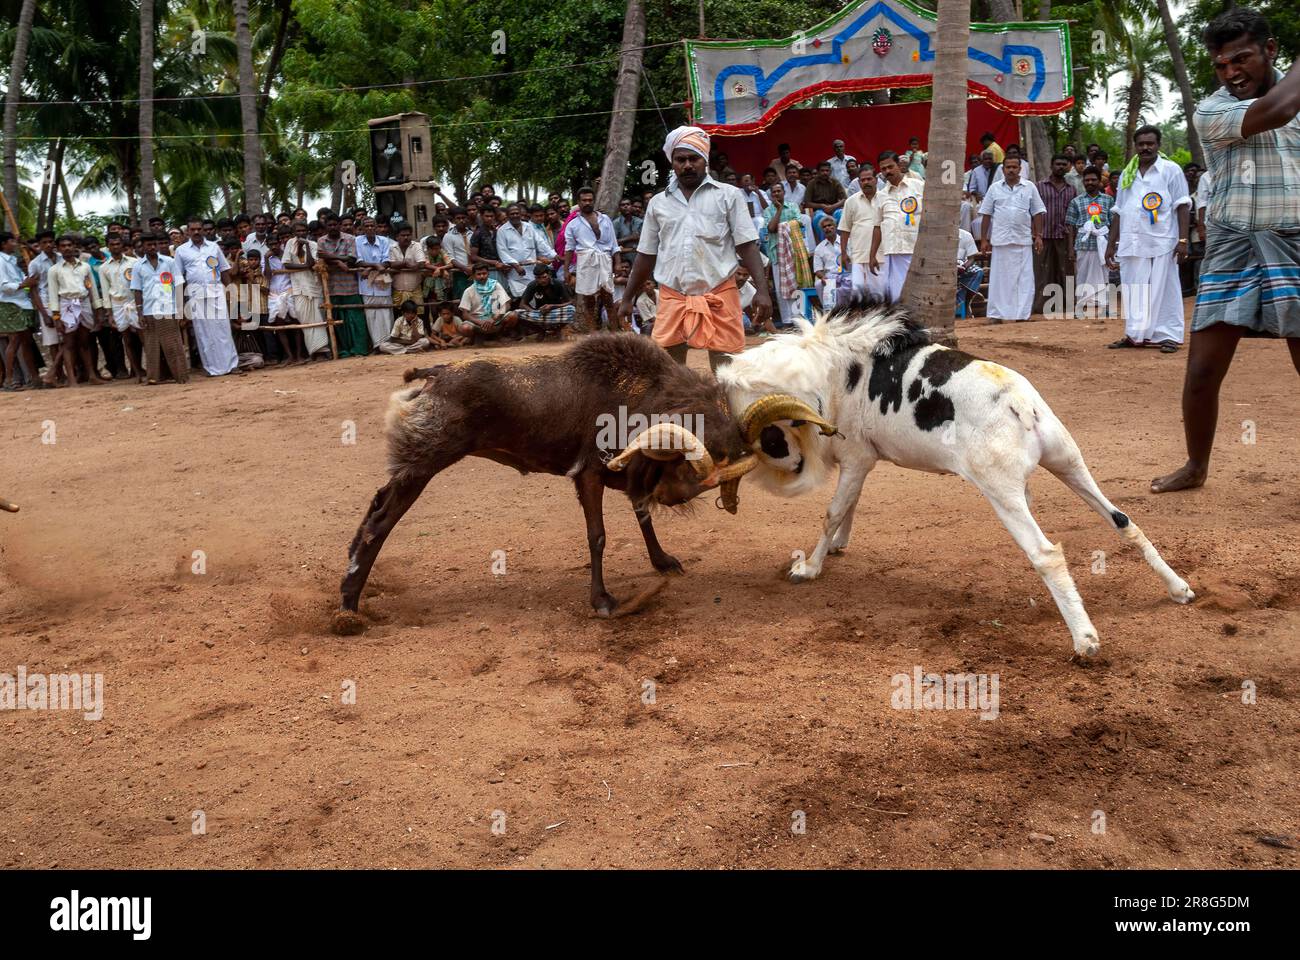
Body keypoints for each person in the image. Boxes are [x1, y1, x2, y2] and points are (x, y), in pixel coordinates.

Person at [1152, 7, 1300, 493]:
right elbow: (1276, 110)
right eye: (1222, 65)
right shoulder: (1212, 110)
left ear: (1270, 50)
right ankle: (1196, 467)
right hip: (1232, 247)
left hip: (1294, 244)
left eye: (1243, 59)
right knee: (1201, 374)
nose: (1232, 72)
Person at [619, 125, 771, 370]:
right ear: (673, 163)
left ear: (705, 160)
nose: (687, 165)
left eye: (694, 158)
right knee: (670, 376)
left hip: (719, 296)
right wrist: (627, 298)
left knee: (727, 375)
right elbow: (646, 255)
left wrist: (762, 291)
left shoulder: (729, 196)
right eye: (680, 159)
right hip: (673, 298)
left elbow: (748, 247)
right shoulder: (658, 204)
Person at [1104, 125, 1191, 352]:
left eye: (1150, 143)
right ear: (1135, 146)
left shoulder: (1170, 170)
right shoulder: (1127, 174)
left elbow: (1182, 205)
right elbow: (1119, 210)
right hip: (1132, 241)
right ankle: (1136, 334)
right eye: (1141, 144)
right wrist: (1111, 243)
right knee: (1134, 289)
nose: (1145, 148)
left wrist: (1183, 241)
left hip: (1162, 240)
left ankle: (1168, 336)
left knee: (1166, 288)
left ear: (1158, 145)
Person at [978, 156, 1045, 323]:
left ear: (1020, 169)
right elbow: (986, 214)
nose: (1011, 170)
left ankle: (1022, 315)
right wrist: (984, 240)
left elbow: (1037, 212)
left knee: (1024, 280)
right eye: (1008, 167)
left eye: (1014, 167)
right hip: (1000, 241)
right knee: (999, 280)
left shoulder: (1029, 187)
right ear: (1003, 169)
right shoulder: (994, 188)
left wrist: (1039, 236)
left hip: (1023, 240)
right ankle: (996, 315)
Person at [173, 217, 238, 376]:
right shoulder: (181, 251)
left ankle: (232, 365)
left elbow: (223, 271)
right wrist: (181, 306)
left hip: (216, 291)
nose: (196, 232)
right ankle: (211, 368)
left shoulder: (214, 247)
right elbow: (179, 278)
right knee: (203, 332)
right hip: (195, 294)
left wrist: (230, 293)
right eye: (192, 229)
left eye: (199, 229)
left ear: (203, 230)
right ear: (187, 232)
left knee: (223, 328)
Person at [46, 234, 106, 385]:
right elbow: (53, 295)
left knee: (85, 341)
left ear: (74, 247)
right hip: (67, 304)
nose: (67, 248)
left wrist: (98, 310)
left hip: (84, 303)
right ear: (58, 249)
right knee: (69, 343)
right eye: (63, 246)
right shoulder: (54, 270)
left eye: (69, 245)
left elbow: (92, 289)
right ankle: (72, 378)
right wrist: (56, 317)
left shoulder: (85, 267)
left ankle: (92, 375)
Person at [130, 233, 187, 384]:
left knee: (173, 344)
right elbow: (137, 290)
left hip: (169, 308)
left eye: (155, 244)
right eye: (149, 245)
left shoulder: (169, 262)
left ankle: (180, 376)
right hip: (149, 310)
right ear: (143, 247)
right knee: (151, 346)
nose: (152, 247)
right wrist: (140, 312)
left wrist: (181, 308)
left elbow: (179, 284)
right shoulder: (137, 266)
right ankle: (154, 377)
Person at [869, 152, 925, 303]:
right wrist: (872, 254)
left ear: (899, 165)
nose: (887, 171)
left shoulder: (918, 186)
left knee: (919, 291)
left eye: (890, 167)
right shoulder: (880, 196)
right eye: (883, 169)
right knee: (896, 293)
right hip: (893, 251)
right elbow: (877, 226)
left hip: (916, 248)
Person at [563, 186, 619, 332]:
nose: (587, 203)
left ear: (593, 201)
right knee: (588, 300)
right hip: (586, 261)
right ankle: (593, 334)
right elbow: (569, 249)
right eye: (584, 200)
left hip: (605, 260)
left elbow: (614, 244)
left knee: (608, 299)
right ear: (578, 202)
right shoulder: (573, 224)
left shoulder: (605, 219)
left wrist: (617, 262)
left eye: (590, 200)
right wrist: (566, 270)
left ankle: (614, 333)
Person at [316, 213, 369, 357]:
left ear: (339, 225)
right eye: (330, 225)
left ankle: (359, 349)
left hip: (351, 286)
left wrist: (330, 257)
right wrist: (339, 262)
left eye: (335, 224)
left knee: (356, 321)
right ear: (326, 227)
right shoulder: (321, 241)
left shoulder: (350, 239)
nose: (333, 227)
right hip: (332, 288)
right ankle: (343, 351)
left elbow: (351, 258)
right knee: (339, 323)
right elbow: (321, 258)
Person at [1065, 166, 1116, 318]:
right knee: (1082, 275)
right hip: (1083, 244)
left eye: (1093, 179)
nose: (1090, 182)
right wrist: (1070, 248)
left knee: (1104, 275)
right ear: (1083, 182)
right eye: (1087, 180)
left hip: (1103, 244)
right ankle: (1080, 307)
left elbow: (1114, 224)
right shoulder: (1076, 201)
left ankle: (1104, 306)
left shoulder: (1108, 200)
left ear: (1100, 181)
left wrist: (1113, 245)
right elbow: (1071, 226)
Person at [1034, 153, 1078, 315]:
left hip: (1063, 236)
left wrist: (1072, 242)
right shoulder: (1039, 186)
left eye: (1063, 164)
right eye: (1057, 164)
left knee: (1065, 271)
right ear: (1051, 166)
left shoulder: (1071, 190)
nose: (1060, 167)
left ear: (1067, 167)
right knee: (1042, 272)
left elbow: (1073, 217)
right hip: (1043, 235)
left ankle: (1068, 306)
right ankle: (1040, 307)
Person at [763, 181, 811, 327]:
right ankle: (787, 321)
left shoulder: (793, 206)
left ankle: (800, 319)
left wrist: (781, 226)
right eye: (774, 192)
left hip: (794, 249)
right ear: (771, 195)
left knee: (797, 284)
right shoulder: (768, 211)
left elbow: (798, 223)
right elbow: (771, 228)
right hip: (777, 252)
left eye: (779, 191)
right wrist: (778, 211)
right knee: (781, 288)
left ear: (784, 192)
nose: (777, 194)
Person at [98, 234, 144, 381]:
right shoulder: (104, 267)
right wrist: (109, 313)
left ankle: (152, 369)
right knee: (127, 340)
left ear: (122, 245)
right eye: (112, 244)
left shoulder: (134, 262)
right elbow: (105, 292)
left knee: (144, 336)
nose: (115, 247)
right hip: (117, 304)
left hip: (133, 301)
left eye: (118, 244)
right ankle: (136, 372)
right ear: (107, 247)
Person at [839, 166, 886, 301]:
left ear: (876, 180)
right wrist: (843, 252)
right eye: (862, 180)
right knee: (857, 292)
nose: (866, 182)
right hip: (858, 256)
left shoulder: (885, 198)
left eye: (869, 179)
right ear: (859, 182)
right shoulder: (851, 201)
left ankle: (880, 321)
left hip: (881, 256)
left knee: (879, 294)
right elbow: (845, 228)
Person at [282, 220, 328, 357]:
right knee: (304, 318)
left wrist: (306, 245)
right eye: (298, 231)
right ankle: (313, 351)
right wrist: (304, 268)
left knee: (318, 318)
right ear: (294, 233)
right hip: (298, 287)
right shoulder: (290, 244)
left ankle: (324, 350)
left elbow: (311, 263)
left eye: (303, 230)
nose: (301, 233)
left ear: (307, 232)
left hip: (313, 287)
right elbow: (287, 264)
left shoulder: (312, 244)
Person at [0, 232, 40, 390]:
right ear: (4, 244)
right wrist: (24, 284)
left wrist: (27, 282)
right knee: (15, 340)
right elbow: (4, 286)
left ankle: (34, 378)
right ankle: (9, 380)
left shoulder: (11, 260)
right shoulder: (1, 261)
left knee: (26, 341)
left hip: (22, 303)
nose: (14, 244)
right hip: (11, 303)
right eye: (11, 241)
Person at [264, 231, 307, 365]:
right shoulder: (266, 259)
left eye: (275, 243)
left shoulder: (288, 256)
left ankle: (299, 355)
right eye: (270, 244)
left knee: (295, 323)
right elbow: (267, 276)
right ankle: (289, 356)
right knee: (280, 325)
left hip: (290, 291)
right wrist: (266, 259)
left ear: (280, 243)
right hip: (274, 294)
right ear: (267, 245)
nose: (273, 246)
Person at [497, 203, 554, 299]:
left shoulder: (529, 227)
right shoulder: (502, 231)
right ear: (507, 215)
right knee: (520, 297)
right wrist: (516, 265)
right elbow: (502, 251)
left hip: (532, 270)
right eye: (512, 214)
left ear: (520, 214)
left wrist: (553, 255)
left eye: (517, 213)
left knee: (535, 296)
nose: (515, 215)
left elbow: (540, 243)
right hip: (515, 272)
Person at [355, 215, 394, 349]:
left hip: (383, 284)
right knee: (371, 316)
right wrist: (376, 266)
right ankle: (377, 346)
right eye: (367, 226)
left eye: (372, 225)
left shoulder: (384, 241)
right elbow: (359, 261)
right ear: (362, 228)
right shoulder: (358, 241)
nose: (370, 228)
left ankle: (387, 344)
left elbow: (386, 262)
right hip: (366, 286)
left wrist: (371, 268)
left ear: (376, 227)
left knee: (385, 314)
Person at [457, 261, 517, 343]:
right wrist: (480, 322)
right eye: (479, 274)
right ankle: (476, 338)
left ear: (488, 274)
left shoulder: (496, 285)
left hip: (496, 319)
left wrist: (494, 318)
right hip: (478, 322)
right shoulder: (469, 291)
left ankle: (501, 335)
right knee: (465, 327)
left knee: (513, 315)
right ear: (474, 276)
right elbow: (465, 314)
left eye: (484, 273)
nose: (482, 276)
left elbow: (507, 304)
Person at [516, 264, 575, 339]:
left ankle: (558, 329)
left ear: (549, 274)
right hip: (540, 314)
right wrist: (535, 312)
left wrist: (552, 306)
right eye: (538, 278)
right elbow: (522, 304)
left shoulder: (558, 284)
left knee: (571, 309)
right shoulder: (532, 285)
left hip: (556, 312)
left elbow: (570, 302)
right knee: (517, 314)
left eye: (544, 277)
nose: (541, 280)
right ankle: (541, 330)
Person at [812, 214, 842, 310]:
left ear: (835, 226)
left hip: (846, 274)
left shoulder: (846, 242)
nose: (827, 228)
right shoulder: (819, 248)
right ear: (822, 230)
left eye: (829, 225)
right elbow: (817, 270)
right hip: (829, 277)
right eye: (824, 227)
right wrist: (823, 277)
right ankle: (829, 311)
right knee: (818, 284)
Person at [956, 226, 982, 315]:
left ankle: (967, 301)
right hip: (941, 267)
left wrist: (964, 267)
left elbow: (971, 258)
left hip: (963, 266)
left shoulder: (966, 235)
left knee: (978, 272)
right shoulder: (937, 236)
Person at [612, 198, 642, 266]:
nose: (625, 206)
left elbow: (644, 239)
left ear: (631, 206)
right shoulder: (616, 223)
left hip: (638, 258)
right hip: (623, 260)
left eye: (628, 204)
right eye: (623, 205)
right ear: (619, 208)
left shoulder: (639, 222)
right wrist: (630, 238)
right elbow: (613, 243)